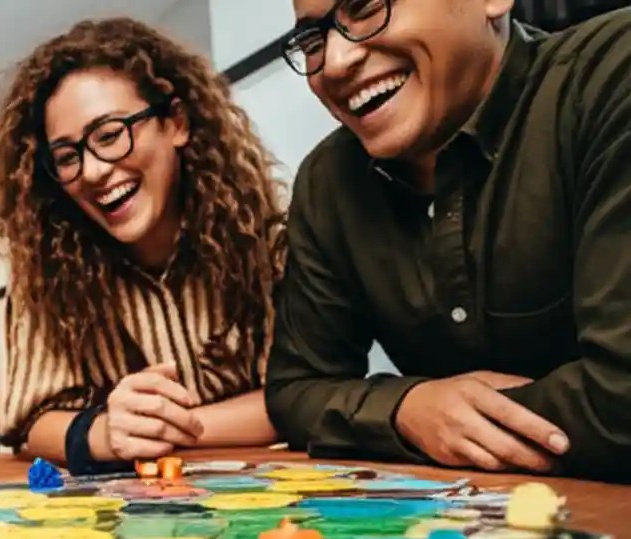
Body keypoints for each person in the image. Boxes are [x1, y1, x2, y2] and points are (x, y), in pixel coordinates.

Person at [266, 0, 631, 481]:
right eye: (313, 39)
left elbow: (620, 396)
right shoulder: (329, 180)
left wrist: (447, 415)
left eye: (370, 6)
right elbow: (295, 391)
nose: (334, 62)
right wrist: (409, 409)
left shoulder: (609, 75)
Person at [0, 18, 286, 473]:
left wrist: (160, 426)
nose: (93, 171)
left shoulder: (267, 238)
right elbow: (30, 424)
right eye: (66, 156)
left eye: (108, 135)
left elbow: (300, 396)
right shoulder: (45, 273)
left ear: (176, 123)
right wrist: (104, 432)